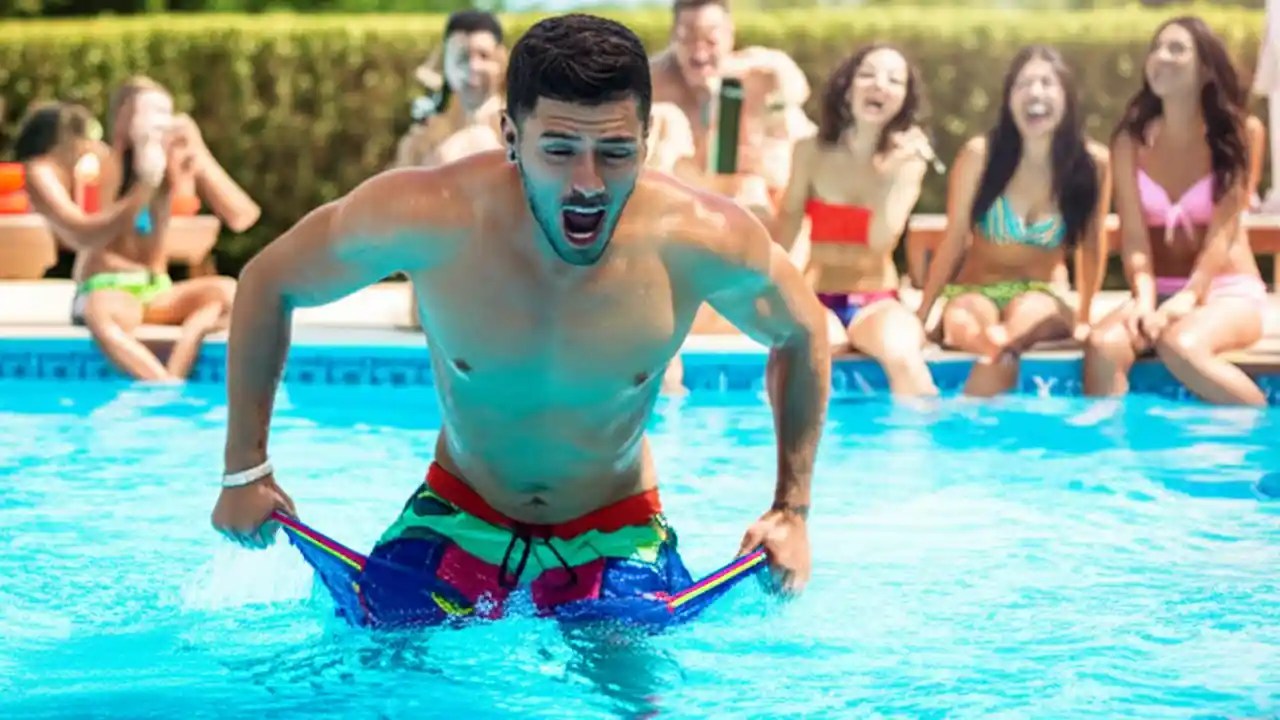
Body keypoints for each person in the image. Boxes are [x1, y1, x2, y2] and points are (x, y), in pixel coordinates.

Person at [211, 14, 829, 624]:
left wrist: (791, 511)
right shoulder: (431, 215)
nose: (587, 183)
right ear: (510, 135)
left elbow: (801, 330)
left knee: (630, 677)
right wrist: (246, 469)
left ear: (647, 141)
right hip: (458, 513)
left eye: (615, 152)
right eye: (559, 150)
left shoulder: (701, 238)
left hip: (616, 527)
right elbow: (269, 280)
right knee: (377, 670)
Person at [1083, 17, 1269, 406]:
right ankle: (1113, 444)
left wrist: (1189, 297)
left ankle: (1264, 428)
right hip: (1157, 288)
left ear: (1206, 69)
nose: (1161, 57)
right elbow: (1134, 238)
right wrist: (1144, 298)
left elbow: (1223, 234)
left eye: (1176, 49)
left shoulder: (1241, 134)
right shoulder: (1130, 141)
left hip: (1226, 290)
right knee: (1102, 346)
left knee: (1180, 344)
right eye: (1156, 48)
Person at [915, 46, 1111, 397]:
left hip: (1041, 294)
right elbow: (954, 239)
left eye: (1047, 83)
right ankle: (984, 393)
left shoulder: (1091, 163)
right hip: (974, 291)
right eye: (1023, 84)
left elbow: (1093, 243)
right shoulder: (980, 156)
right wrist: (922, 315)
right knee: (968, 325)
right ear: (1008, 100)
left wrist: (1084, 316)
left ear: (1067, 97)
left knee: (1016, 329)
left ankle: (970, 411)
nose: (1035, 93)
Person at [773, 44, 938, 397]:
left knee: (903, 358)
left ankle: (924, 433)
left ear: (903, 101)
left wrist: (893, 174)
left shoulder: (907, 162)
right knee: (819, 349)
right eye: (867, 74)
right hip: (817, 295)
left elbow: (880, 240)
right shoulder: (809, 151)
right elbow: (787, 224)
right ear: (847, 88)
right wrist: (766, 288)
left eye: (894, 80)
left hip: (875, 298)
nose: (879, 84)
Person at [649, 0, 814, 215]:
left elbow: (797, 89)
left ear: (729, 36)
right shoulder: (656, 80)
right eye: (687, 39)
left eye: (711, 41)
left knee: (788, 122)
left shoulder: (758, 71)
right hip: (684, 200)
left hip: (752, 194)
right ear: (673, 38)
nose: (699, 52)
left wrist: (727, 74)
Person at [391, 10, 507, 170]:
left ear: (501, 60)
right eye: (462, 57)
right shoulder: (422, 137)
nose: (473, 67)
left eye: (484, 55)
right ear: (445, 63)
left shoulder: (520, 127)